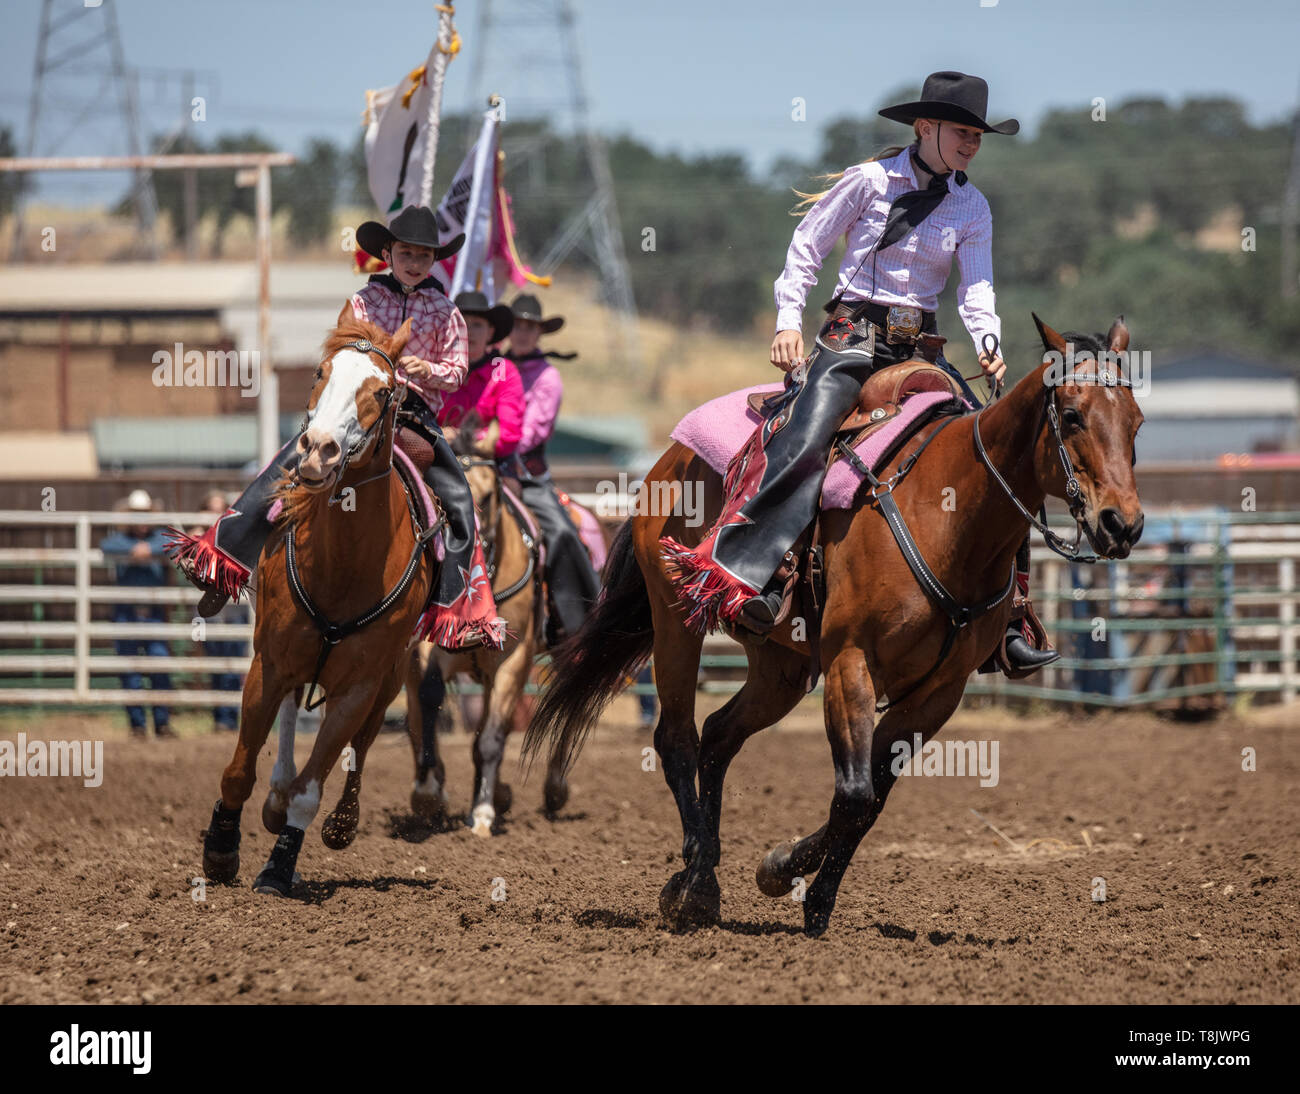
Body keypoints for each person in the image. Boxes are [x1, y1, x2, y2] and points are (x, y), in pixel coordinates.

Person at [660, 71, 1057, 675]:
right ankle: (753, 574)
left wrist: (989, 341)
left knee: (998, 451)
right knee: (804, 434)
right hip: (852, 338)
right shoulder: (868, 182)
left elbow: (976, 288)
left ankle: (1011, 618)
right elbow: (806, 246)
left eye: (979, 135)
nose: (973, 143)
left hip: (921, 348)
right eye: (962, 131)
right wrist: (787, 322)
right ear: (925, 128)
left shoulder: (972, 205)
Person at [167, 205, 506, 651]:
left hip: (413, 415)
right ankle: (225, 558)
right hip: (354, 408)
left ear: (433, 260)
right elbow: (340, 351)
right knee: (288, 461)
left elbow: (458, 370)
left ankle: (455, 612)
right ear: (387, 252)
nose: (414, 263)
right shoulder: (363, 301)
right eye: (406, 253)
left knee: (461, 498)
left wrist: (429, 369)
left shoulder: (446, 311)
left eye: (424, 256)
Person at [502, 293, 602, 643]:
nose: (523, 332)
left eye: (530, 327)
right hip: (484, 468)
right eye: (517, 325)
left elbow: (532, 432)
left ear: (540, 332)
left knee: (560, 533)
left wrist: (493, 441)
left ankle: (574, 623)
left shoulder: (547, 377)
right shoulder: (493, 366)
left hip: (528, 480)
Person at [100, 489, 176, 738]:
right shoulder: (120, 541)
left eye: (144, 515)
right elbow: (107, 546)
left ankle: (161, 722)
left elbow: (169, 544)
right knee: (130, 669)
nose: (141, 520)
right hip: (127, 612)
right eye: (137, 515)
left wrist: (146, 549)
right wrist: (140, 549)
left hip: (153, 613)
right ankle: (138, 725)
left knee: (159, 665)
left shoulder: (158, 539)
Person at [439, 292, 526, 460]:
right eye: (462, 323)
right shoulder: (434, 366)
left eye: (477, 325)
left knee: (516, 486)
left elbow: (508, 435)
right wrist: (438, 434)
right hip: (437, 454)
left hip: (488, 460)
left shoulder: (504, 371)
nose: (469, 331)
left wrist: (462, 437)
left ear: (490, 332)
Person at [192, 492, 248, 730]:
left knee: (233, 665)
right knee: (214, 664)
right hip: (209, 614)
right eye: (210, 509)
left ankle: (228, 719)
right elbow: (187, 555)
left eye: (220, 510)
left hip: (234, 611)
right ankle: (220, 717)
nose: (214, 515)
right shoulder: (199, 536)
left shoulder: (237, 535)